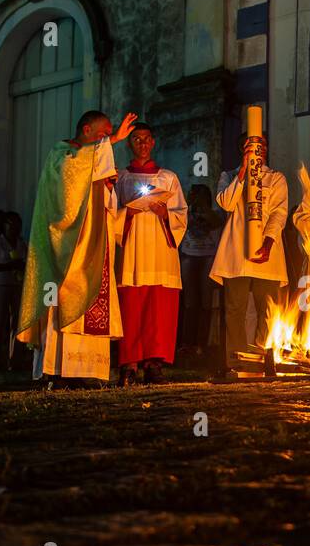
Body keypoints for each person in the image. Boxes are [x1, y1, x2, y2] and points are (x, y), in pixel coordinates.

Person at [17, 110, 137, 386]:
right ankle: (57, 370)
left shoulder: (91, 156)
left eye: (107, 137)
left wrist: (106, 185)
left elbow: (98, 190)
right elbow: (68, 190)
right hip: (67, 249)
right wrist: (114, 141)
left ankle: (89, 371)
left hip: (95, 243)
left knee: (95, 297)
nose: (106, 141)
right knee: (61, 301)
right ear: (86, 130)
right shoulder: (61, 155)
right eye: (103, 135)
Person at [114, 123, 187, 385]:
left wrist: (165, 213)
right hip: (132, 251)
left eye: (146, 139)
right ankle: (129, 364)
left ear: (153, 142)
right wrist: (128, 213)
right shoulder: (120, 178)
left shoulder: (168, 178)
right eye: (136, 139)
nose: (142, 144)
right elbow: (110, 215)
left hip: (160, 252)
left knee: (159, 310)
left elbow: (181, 214)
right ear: (129, 144)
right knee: (132, 309)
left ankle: (154, 364)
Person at [210, 132, 289, 367]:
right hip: (236, 248)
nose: (258, 149)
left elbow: (279, 212)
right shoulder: (229, 175)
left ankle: (267, 360)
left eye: (262, 144)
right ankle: (237, 361)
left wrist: (268, 242)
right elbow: (226, 203)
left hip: (268, 250)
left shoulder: (276, 178)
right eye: (252, 145)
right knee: (236, 309)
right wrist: (244, 171)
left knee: (269, 309)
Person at [179, 184, 224, 356]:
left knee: (206, 302)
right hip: (189, 255)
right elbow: (183, 224)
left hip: (208, 257)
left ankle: (202, 343)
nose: (194, 198)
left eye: (198, 195)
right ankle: (187, 342)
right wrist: (191, 208)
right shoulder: (186, 212)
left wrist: (204, 208)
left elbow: (216, 222)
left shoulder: (215, 213)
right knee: (190, 302)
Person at [0, 212, 27, 371]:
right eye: (11, 224)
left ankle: (14, 359)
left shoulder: (22, 243)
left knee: (16, 323)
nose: (15, 228)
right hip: (0, 284)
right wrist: (10, 265)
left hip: (17, 285)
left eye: (17, 225)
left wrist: (21, 266)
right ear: (5, 225)